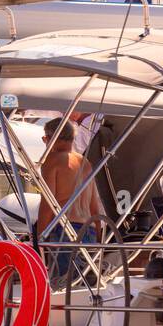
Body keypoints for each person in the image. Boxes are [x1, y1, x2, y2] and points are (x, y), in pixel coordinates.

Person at [37, 117, 105, 283]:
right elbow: (94, 205)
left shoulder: (52, 161)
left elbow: (48, 204)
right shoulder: (85, 162)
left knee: (63, 286)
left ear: (49, 138)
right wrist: (97, 236)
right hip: (87, 230)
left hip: (65, 232)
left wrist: (39, 237)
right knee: (83, 286)